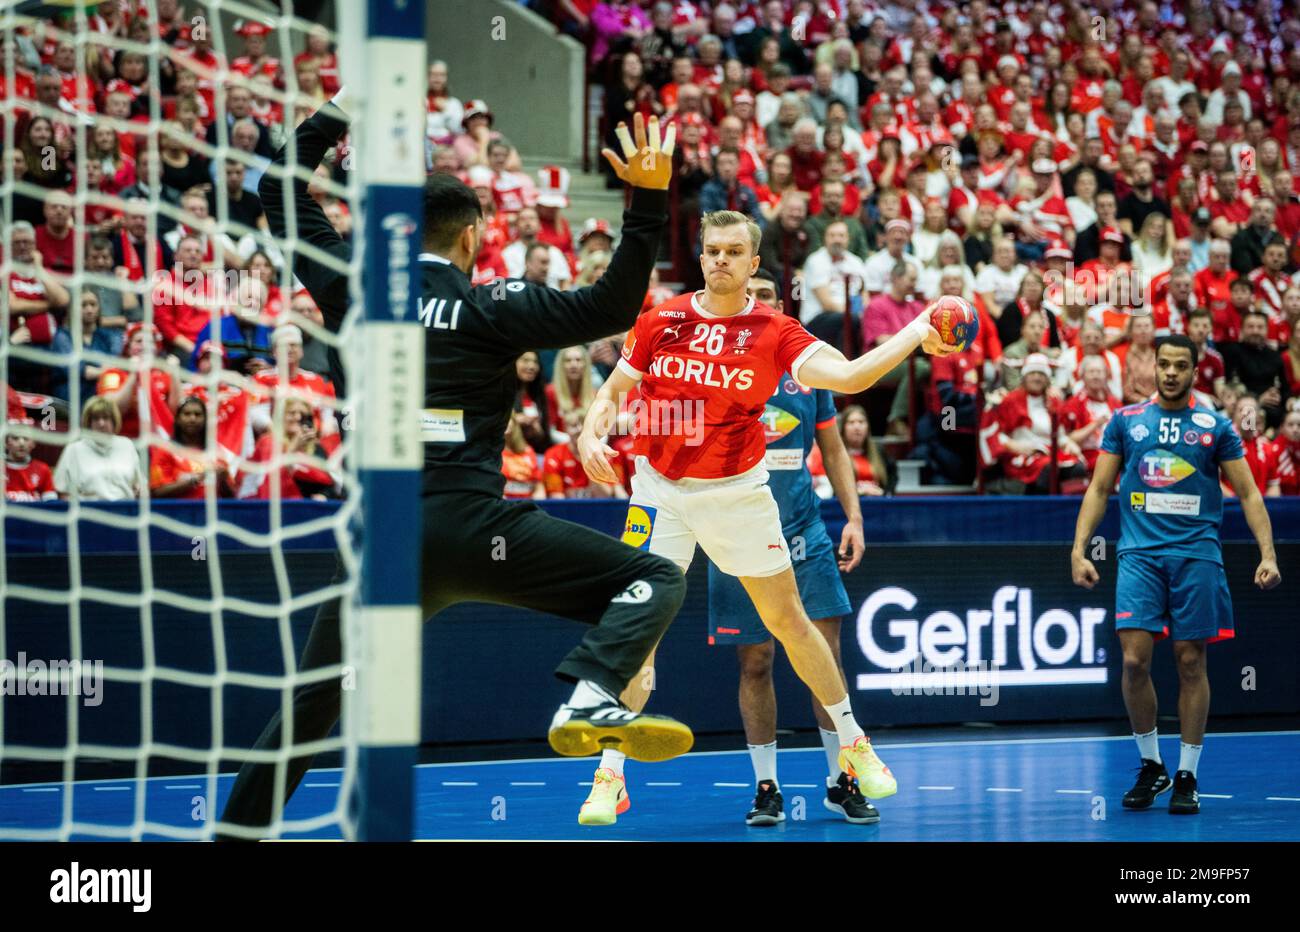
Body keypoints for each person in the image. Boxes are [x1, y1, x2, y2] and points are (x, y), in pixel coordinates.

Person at [219, 104, 693, 839]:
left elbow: (276, 193)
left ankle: (232, 837)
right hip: (478, 531)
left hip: (381, 546)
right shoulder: (491, 303)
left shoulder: (357, 287)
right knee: (655, 579)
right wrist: (648, 201)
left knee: (310, 709)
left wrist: (332, 117)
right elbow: (613, 304)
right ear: (473, 235)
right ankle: (591, 693)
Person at [575, 207, 954, 824]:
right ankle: (610, 776)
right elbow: (612, 392)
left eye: (733, 251)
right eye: (711, 250)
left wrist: (915, 330)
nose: (720, 259)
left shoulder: (775, 331)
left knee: (790, 623)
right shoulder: (660, 320)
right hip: (657, 492)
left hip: (737, 494)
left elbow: (853, 375)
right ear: (700, 256)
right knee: (636, 634)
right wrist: (591, 435)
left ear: (754, 264)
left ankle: (855, 745)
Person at [694, 267, 878, 827]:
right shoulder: (714, 368)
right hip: (734, 535)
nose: (764, 304)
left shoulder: (808, 371)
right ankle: (766, 787)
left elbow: (835, 449)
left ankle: (840, 780)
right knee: (757, 660)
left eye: (772, 297)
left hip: (805, 532)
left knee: (824, 654)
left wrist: (853, 516)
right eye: (757, 297)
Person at [1072, 334, 1281, 815]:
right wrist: (1080, 549)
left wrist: (1266, 554)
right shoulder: (1126, 422)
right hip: (1139, 556)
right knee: (1133, 662)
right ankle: (1152, 766)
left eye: (1180, 366)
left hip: (1196, 556)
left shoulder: (1215, 426)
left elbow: (1249, 494)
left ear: (1193, 371)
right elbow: (1101, 488)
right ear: (1153, 370)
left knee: (1191, 662)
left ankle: (1186, 774)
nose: (1169, 372)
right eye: (1163, 364)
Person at [52, 396, 142, 501]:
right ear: (89, 423)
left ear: (114, 421)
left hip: (125, 511)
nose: (101, 423)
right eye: (96, 419)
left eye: (106, 418)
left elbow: (140, 487)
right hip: (89, 513)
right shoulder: (74, 449)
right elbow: (63, 493)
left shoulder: (127, 445)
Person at [150, 396, 234, 499]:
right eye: (187, 414)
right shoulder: (165, 450)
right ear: (178, 419)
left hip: (211, 512)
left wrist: (223, 480)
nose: (192, 418)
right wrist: (197, 479)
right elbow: (156, 492)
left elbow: (232, 495)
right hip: (176, 512)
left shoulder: (217, 451)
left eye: (198, 414)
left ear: (205, 420)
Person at [5, 422, 57, 502]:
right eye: (15, 438)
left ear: (33, 443)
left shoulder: (43, 469)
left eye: (26, 439)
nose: (21, 443)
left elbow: (51, 504)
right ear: (6, 443)